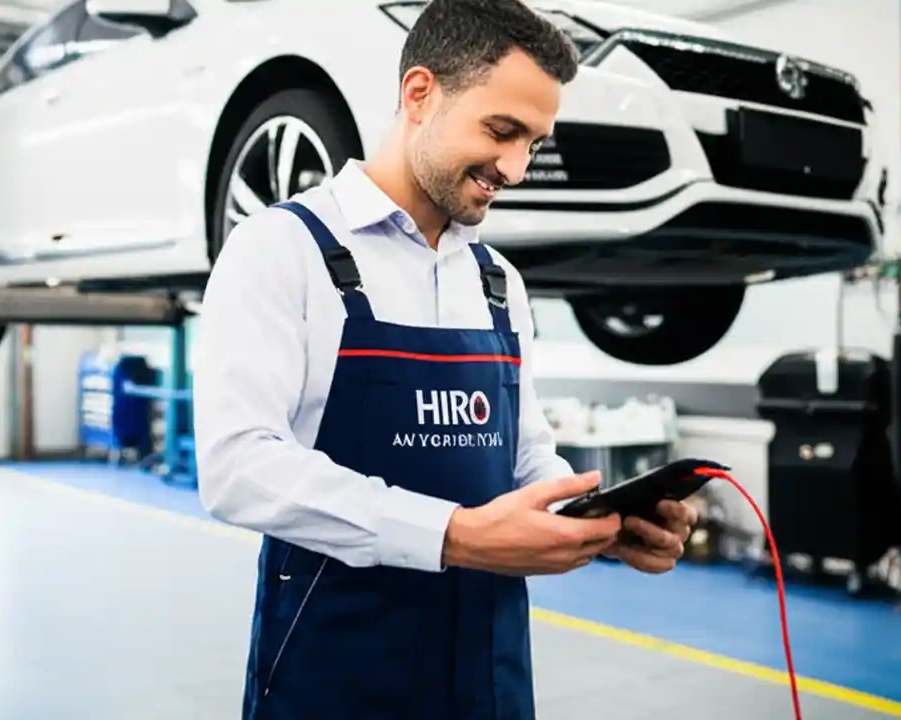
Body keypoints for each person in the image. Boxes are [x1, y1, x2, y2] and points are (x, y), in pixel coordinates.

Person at [192, 0, 698, 717]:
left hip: (489, 679)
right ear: (420, 94)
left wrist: (596, 521)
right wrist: (455, 537)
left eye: (534, 144)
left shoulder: (498, 282)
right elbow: (236, 467)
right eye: (502, 131)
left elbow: (526, 457)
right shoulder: (280, 249)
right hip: (334, 677)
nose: (516, 168)